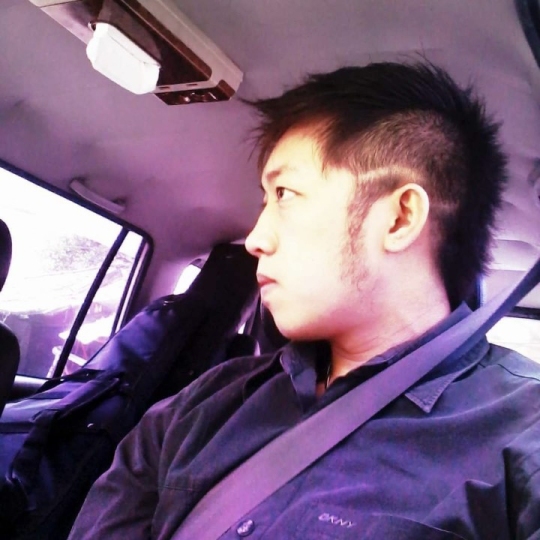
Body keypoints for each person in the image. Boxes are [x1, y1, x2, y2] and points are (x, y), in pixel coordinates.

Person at [68, 61, 540, 539]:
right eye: (265, 200)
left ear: (399, 219)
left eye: (285, 194)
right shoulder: (199, 406)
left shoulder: (524, 435)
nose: (256, 238)